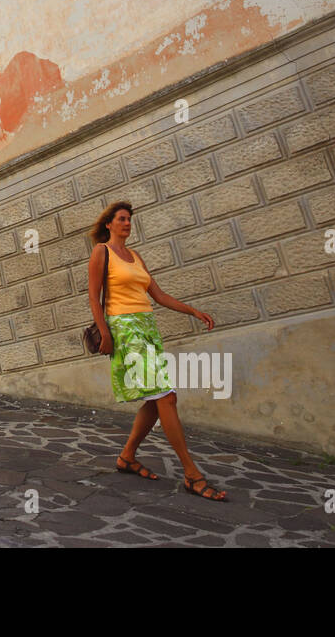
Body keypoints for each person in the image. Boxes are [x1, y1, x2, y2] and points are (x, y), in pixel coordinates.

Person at [88, 201, 228, 501]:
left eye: (130, 219)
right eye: (122, 219)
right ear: (109, 224)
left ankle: (126, 457)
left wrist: (192, 311)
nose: (127, 223)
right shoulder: (102, 252)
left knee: (155, 401)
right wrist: (105, 334)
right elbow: (93, 295)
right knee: (167, 396)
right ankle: (191, 473)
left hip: (147, 328)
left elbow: (158, 294)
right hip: (125, 330)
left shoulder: (135, 256)